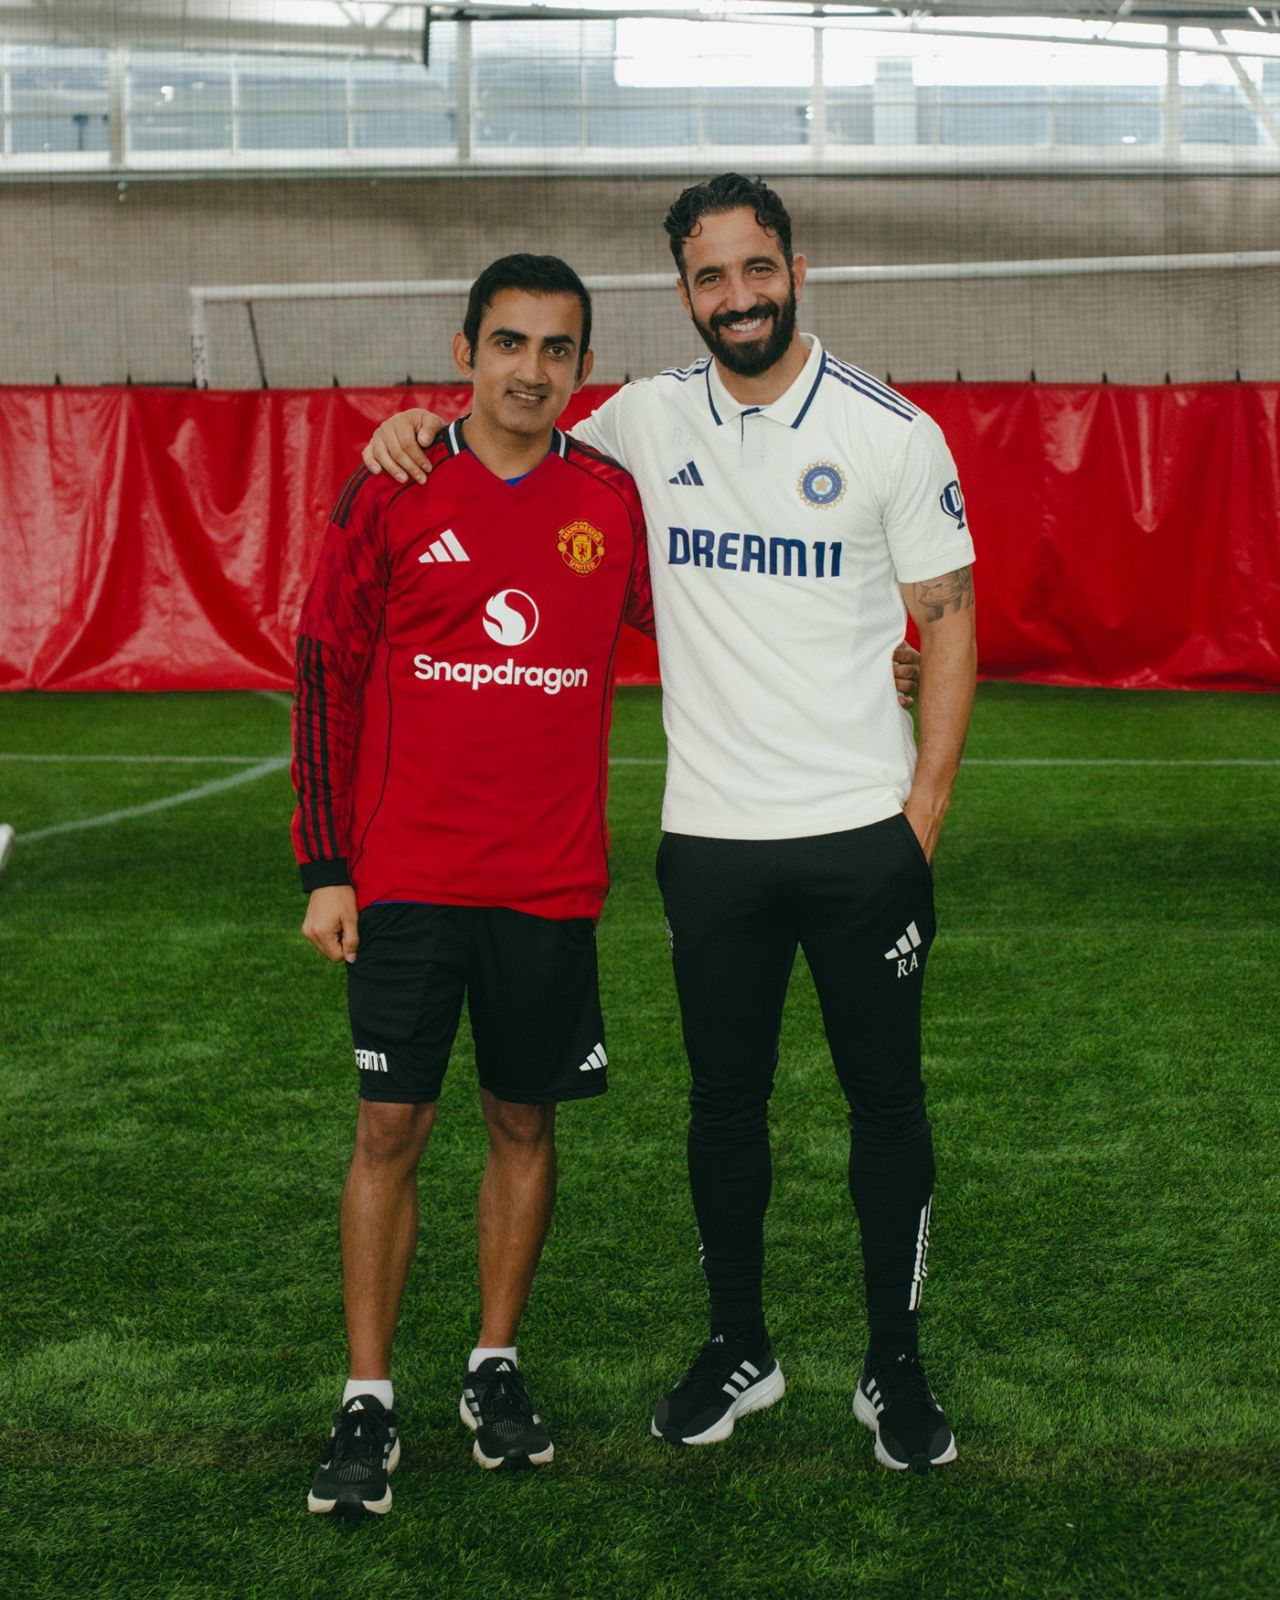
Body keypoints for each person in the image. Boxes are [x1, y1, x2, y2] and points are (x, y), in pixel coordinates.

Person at [362, 173, 972, 1474]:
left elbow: (951, 618)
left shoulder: (893, 432)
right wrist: (409, 422)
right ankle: (738, 1345)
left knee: (886, 1103)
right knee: (724, 1105)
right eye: (710, 278)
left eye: (756, 270)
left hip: (864, 835)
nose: (737, 297)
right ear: (683, 292)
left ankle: (894, 1366)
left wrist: (922, 809)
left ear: (794, 267)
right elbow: (510, 423)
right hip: (708, 842)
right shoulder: (639, 422)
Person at [293, 254, 655, 1516]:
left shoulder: (609, 497)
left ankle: (493, 1365)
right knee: (389, 1128)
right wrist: (326, 867)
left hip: (550, 885)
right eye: (509, 343)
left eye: (557, 349)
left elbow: (715, 622)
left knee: (523, 1121)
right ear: (464, 351)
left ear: (580, 367)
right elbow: (325, 671)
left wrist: (854, 662)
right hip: (405, 881)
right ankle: (368, 1392)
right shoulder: (391, 485)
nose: (531, 370)